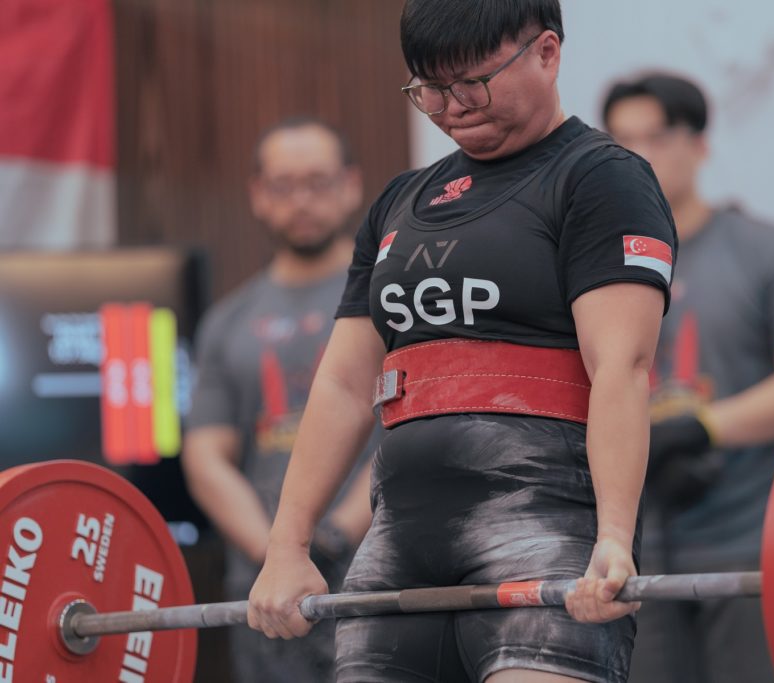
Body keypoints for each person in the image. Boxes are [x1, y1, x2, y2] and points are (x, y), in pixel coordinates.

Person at [247, 2, 678, 681]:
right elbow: (341, 382)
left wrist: (615, 538)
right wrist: (286, 543)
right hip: (398, 546)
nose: (453, 108)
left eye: (472, 83)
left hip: (543, 534)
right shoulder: (399, 203)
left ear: (545, 52)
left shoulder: (601, 179)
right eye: (430, 89)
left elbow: (620, 367)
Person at [602, 73, 774, 683]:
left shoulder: (768, 252)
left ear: (700, 144)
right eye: (621, 141)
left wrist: (704, 426)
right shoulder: (595, 268)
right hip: (632, 561)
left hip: (755, 549)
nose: (639, 156)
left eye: (655, 137)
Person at [182, 116, 376, 682]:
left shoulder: (391, 298)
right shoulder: (227, 322)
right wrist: (278, 549)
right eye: (283, 186)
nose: (302, 201)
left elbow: (413, 430)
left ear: (350, 185)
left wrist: (334, 534)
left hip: (378, 572)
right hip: (265, 594)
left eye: (318, 182)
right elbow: (206, 458)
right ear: (258, 197)